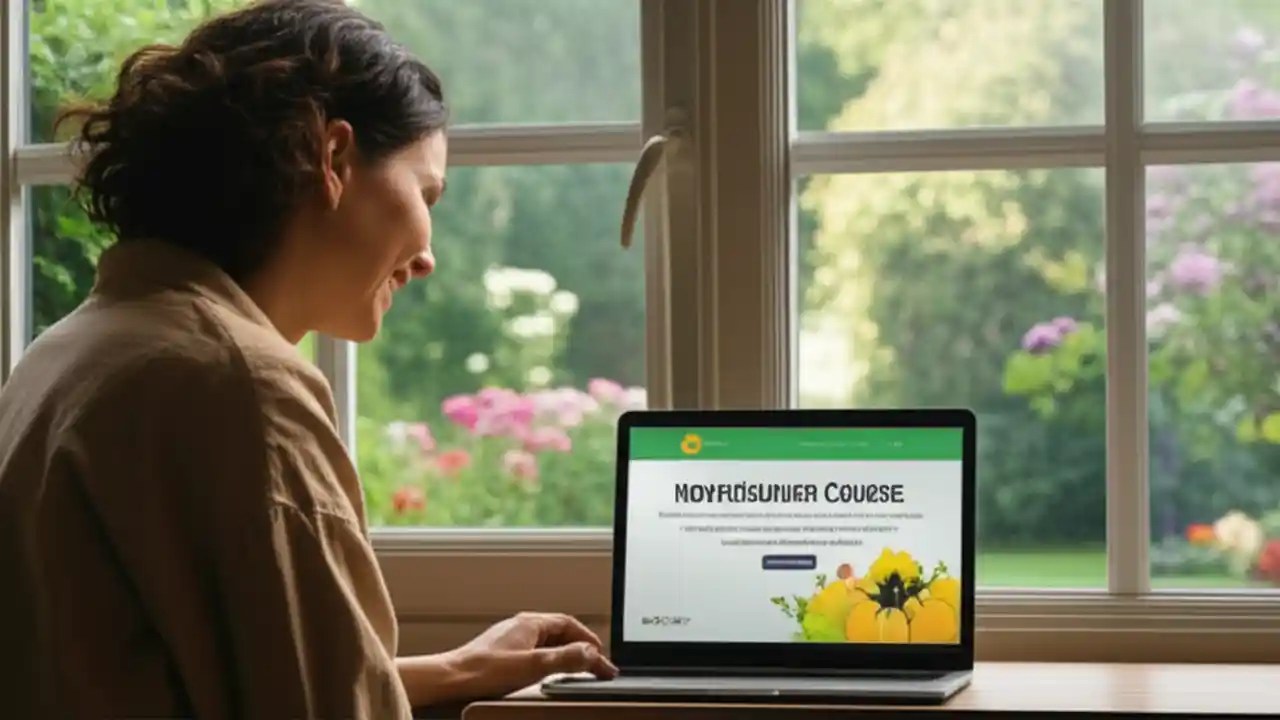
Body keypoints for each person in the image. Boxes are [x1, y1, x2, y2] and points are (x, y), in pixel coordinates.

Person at [0, 1, 617, 717]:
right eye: (425, 194)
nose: (426, 258)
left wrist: (451, 669)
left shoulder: (71, 353)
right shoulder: (240, 387)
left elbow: (201, 679)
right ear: (333, 157)